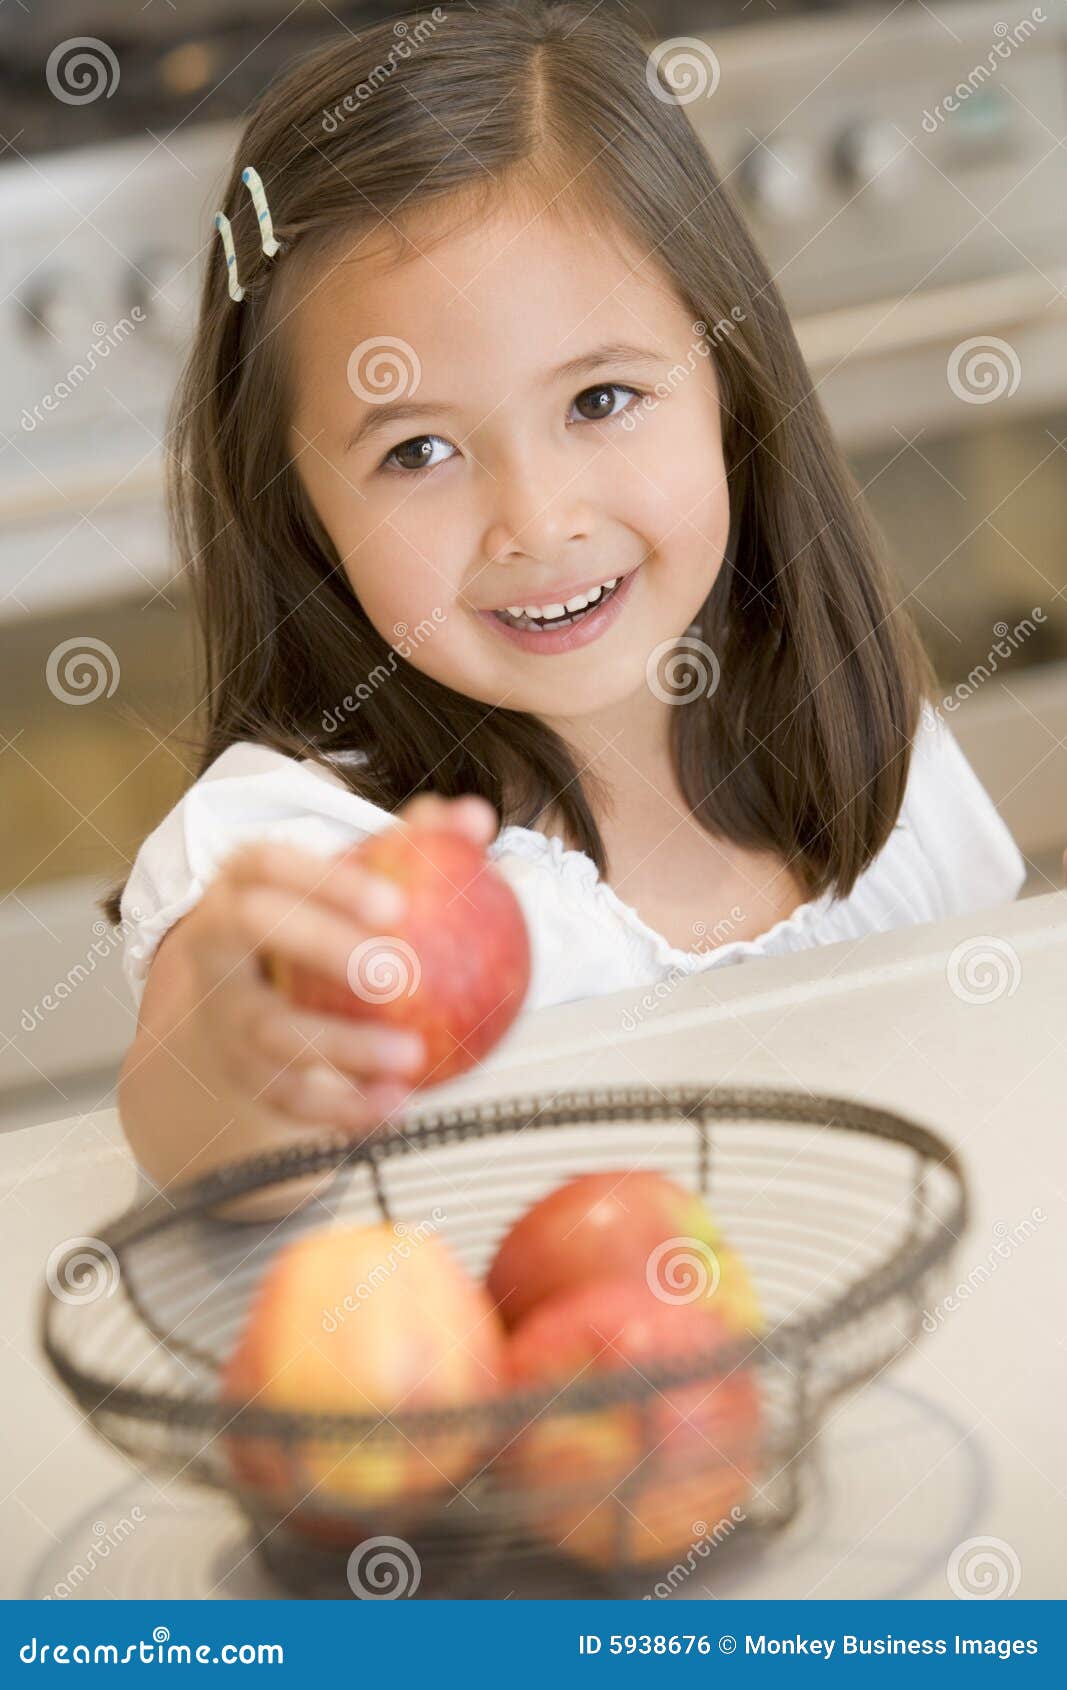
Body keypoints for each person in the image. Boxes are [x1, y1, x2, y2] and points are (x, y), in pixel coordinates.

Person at [110, 2, 1026, 1204]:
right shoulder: (311, 862)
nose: (536, 523)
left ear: (729, 385)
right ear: (296, 511)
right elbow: (210, 1128)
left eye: (599, 401)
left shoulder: (867, 754)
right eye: (418, 452)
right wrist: (242, 1057)